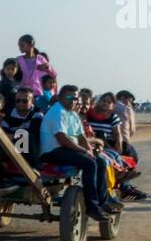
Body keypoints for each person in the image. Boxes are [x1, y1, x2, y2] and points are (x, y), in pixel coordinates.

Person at [38, 84, 120, 223]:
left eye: (75, 98)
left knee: (99, 161)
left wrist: (90, 150)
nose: (73, 101)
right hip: (52, 152)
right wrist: (84, 152)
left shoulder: (72, 114)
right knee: (89, 164)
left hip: (65, 150)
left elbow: (81, 137)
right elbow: (62, 139)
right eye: (69, 97)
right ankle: (92, 206)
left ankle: (102, 201)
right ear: (60, 97)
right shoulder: (57, 112)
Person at [1, 86, 44, 162]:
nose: (20, 103)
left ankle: (34, 166)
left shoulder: (37, 113)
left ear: (32, 101)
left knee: (28, 137)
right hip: (13, 146)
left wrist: (13, 136)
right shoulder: (8, 115)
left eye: (25, 101)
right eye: (18, 100)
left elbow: (33, 131)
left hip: (31, 148)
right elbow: (3, 133)